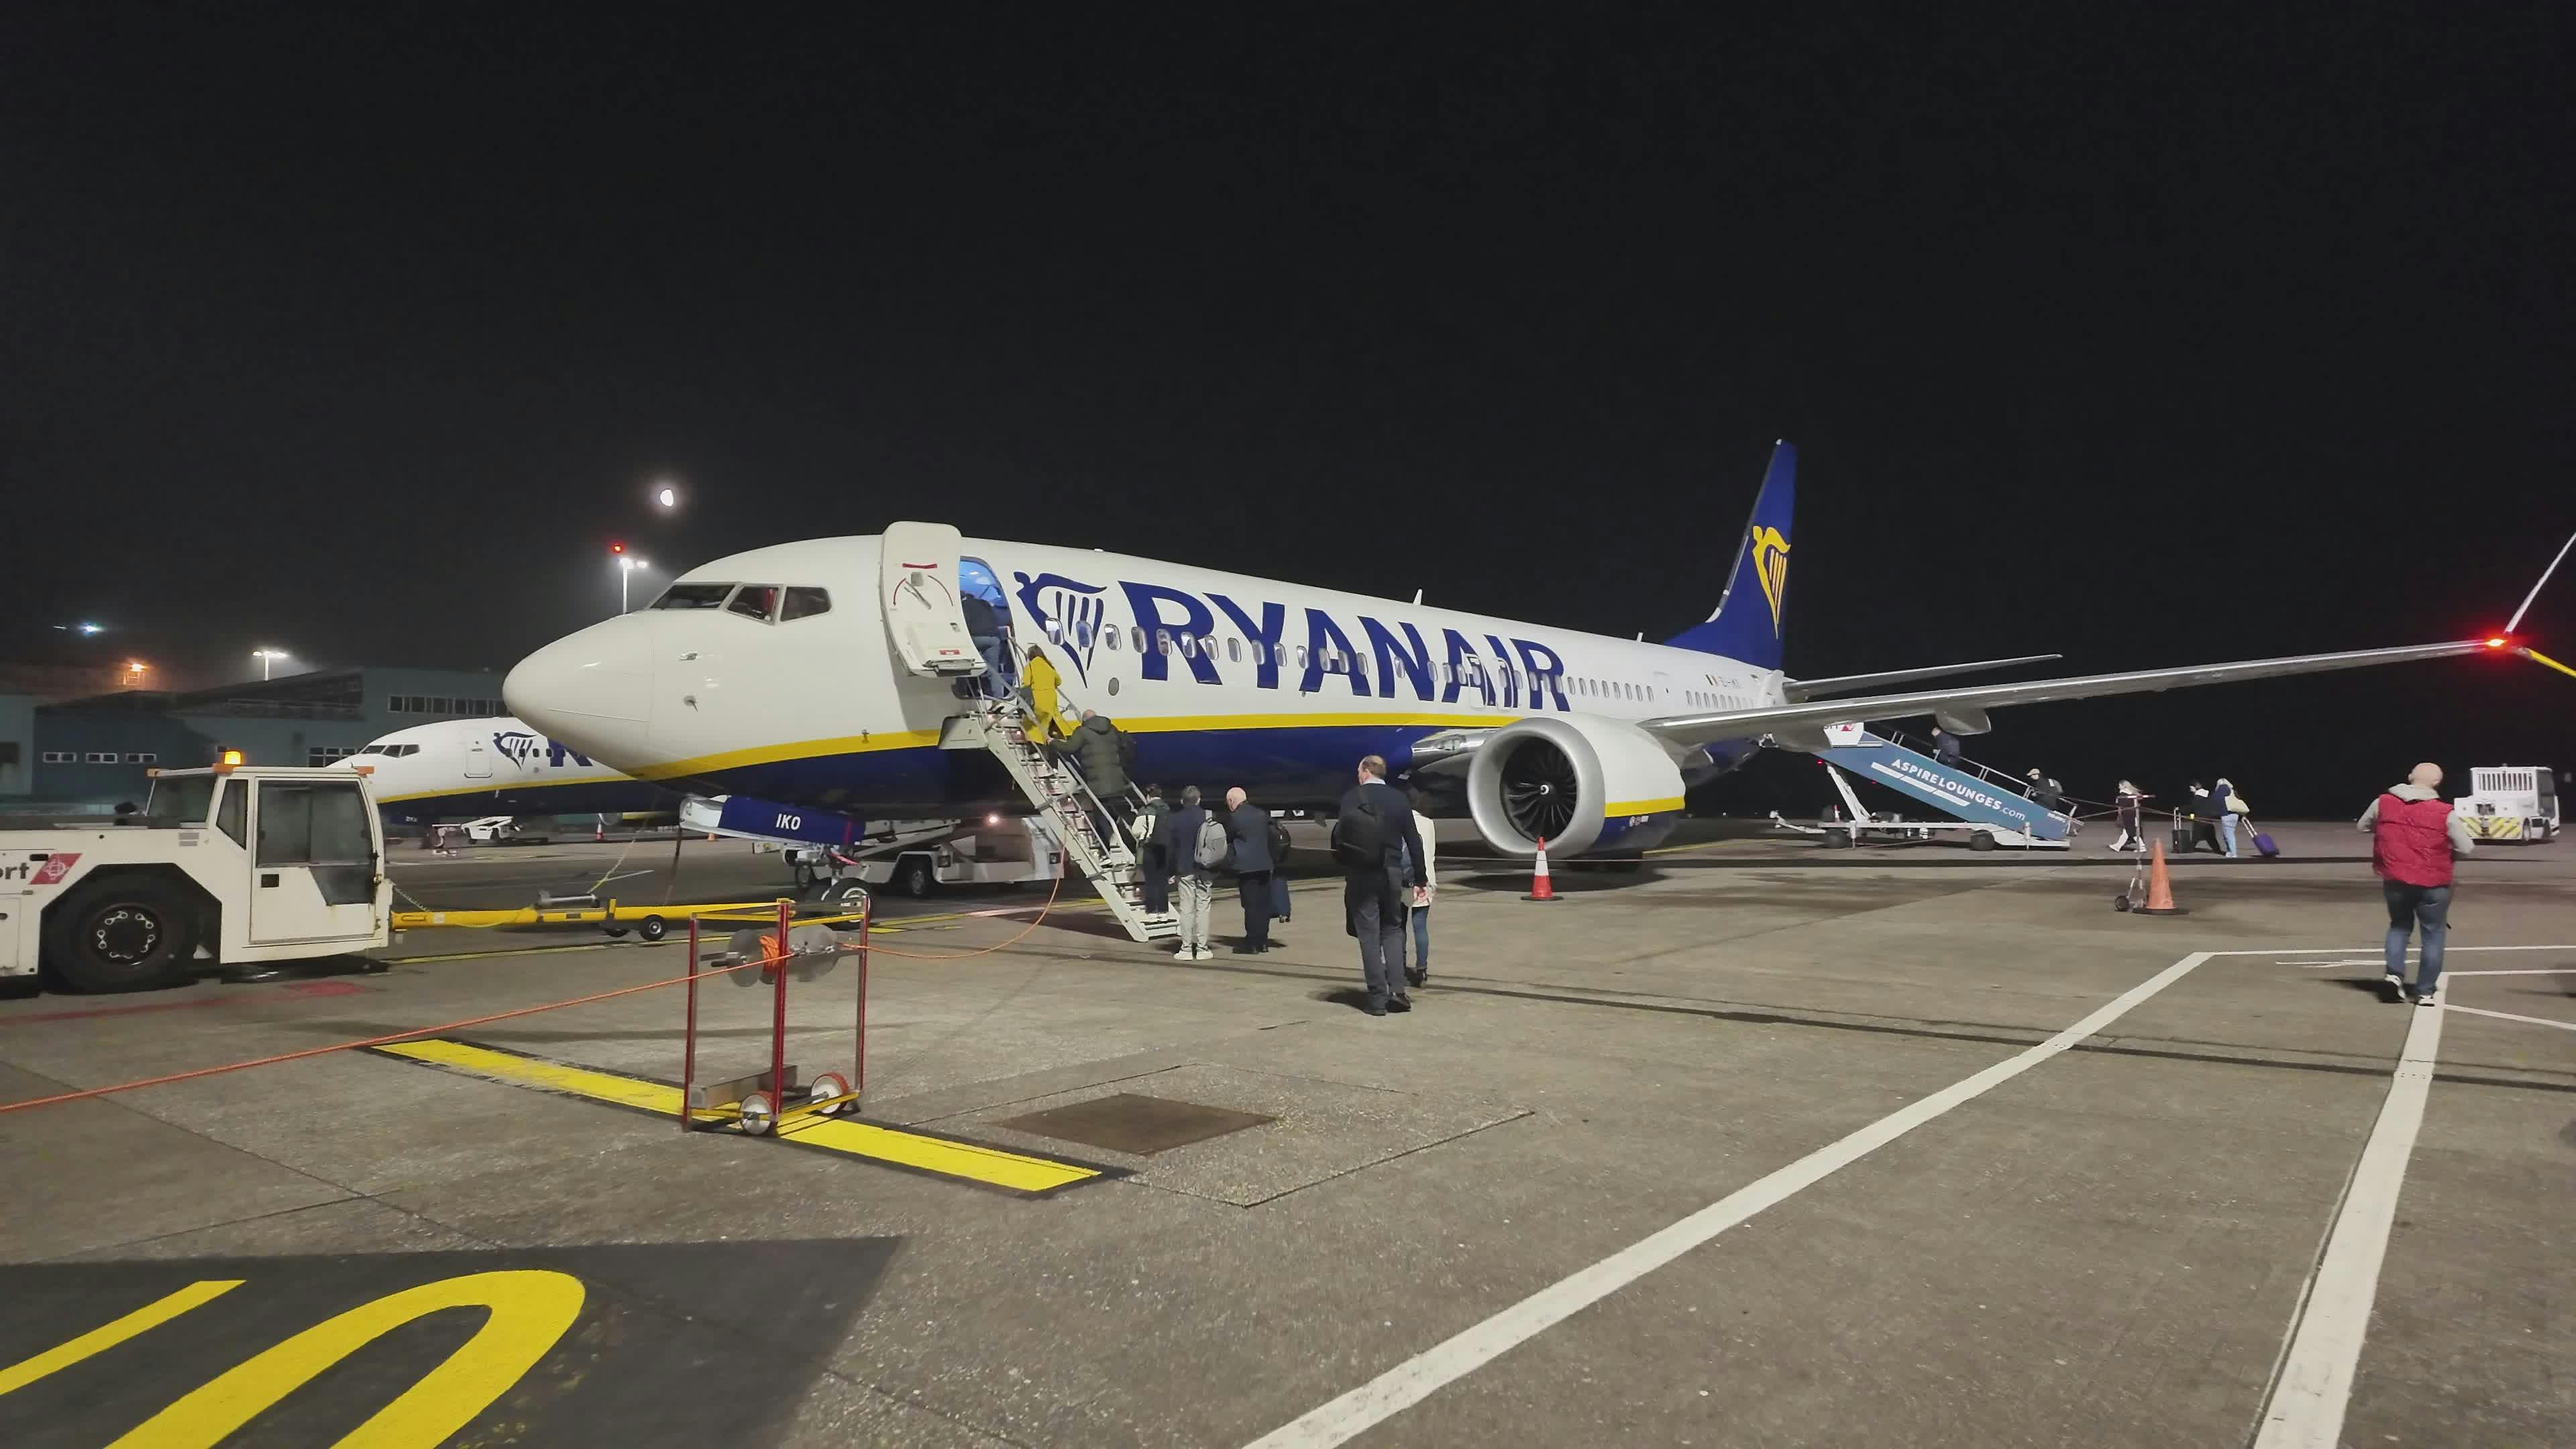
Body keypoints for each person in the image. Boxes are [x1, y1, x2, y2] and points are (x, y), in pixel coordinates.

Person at [2360, 763, 2475, 1004]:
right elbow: (2467, 847)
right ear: (2436, 783)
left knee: (2399, 927)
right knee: (2433, 934)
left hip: (2396, 879)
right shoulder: (2444, 811)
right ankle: (2424, 992)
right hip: (2434, 883)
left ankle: (2394, 976)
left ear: (2411, 777)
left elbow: (2363, 826)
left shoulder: (2383, 802)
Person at [1332, 755, 1427, 1016]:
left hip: (1362, 874)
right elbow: (1414, 841)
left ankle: (1377, 998)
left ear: (1364, 771)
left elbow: (1341, 838)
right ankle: (1398, 991)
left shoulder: (1352, 797)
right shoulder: (1399, 799)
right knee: (1393, 930)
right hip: (1392, 873)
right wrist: (1421, 878)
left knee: (1369, 936)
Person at [1157, 786, 1220, 961]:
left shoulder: (1174, 819)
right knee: (1203, 909)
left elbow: (1169, 850)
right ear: (1199, 800)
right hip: (1205, 869)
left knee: (1186, 909)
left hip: (1184, 870)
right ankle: (1202, 949)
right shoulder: (1209, 817)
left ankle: (1185, 949)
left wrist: (1170, 871)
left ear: (1182, 801)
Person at [1059, 709, 1132, 843]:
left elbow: (1069, 748)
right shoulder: (1111, 729)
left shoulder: (1083, 731)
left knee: (1100, 815)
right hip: (1117, 782)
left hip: (1098, 785)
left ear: (1084, 720)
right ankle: (1119, 836)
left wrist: (1052, 741)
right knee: (1112, 810)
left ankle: (1110, 842)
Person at [1224, 786, 1275, 954]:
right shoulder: (1262, 814)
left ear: (1232, 801)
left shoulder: (1234, 818)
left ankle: (1252, 943)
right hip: (1265, 865)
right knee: (1263, 905)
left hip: (1247, 868)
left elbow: (1227, 838)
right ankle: (1263, 942)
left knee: (1251, 906)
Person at [1401, 787, 1437, 986]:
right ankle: (1422, 969)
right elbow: (1431, 853)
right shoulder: (1429, 823)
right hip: (1426, 879)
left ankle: (1399, 965)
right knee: (1420, 926)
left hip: (1405, 879)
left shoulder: (1398, 822)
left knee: (1399, 926)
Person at [962, 592, 1010, 700]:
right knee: (994, 671)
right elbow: (996, 619)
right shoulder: (985, 603)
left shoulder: (965, 605)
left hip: (977, 638)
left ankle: (971, 692)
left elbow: (965, 622)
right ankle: (998, 698)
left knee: (970, 665)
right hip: (994, 639)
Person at [1133, 784, 1173, 915]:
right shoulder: (1167, 809)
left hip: (1149, 848)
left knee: (1150, 881)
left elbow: (1136, 831)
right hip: (1164, 848)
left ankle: (1151, 912)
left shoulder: (1146, 810)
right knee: (1162, 881)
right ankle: (1163, 912)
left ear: (1149, 796)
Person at [1021, 645, 1070, 748]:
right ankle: (1063, 739)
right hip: (1051, 699)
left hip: (1038, 699)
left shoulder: (1030, 666)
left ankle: (1035, 749)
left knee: (1031, 725)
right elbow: (1059, 681)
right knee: (1046, 723)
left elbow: (1026, 683)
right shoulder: (1049, 666)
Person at [2184, 781, 2223, 855]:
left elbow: (2192, 809)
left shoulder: (2197, 798)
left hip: (2200, 821)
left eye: (2191, 788)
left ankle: (2189, 850)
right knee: (2211, 839)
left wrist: (2180, 809)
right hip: (2208, 821)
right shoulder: (2208, 796)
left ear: (2195, 787)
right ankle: (2218, 851)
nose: (2190, 789)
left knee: (2195, 839)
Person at [2214, 776, 2247, 858]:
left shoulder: (2219, 793)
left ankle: (2233, 853)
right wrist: (2243, 815)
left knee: (2229, 835)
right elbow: (2239, 803)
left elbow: (2214, 802)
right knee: (2228, 834)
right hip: (2235, 815)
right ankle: (2229, 851)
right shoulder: (2233, 792)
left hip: (2226, 815)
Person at [2110, 781, 2145, 852]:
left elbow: (2120, 804)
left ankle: (2142, 847)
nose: (2118, 787)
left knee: (2131, 832)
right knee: (2126, 832)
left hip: (2129, 815)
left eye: (2119, 785)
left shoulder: (2123, 794)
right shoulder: (2131, 793)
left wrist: (2117, 800)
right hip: (2134, 814)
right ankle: (2117, 846)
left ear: (2123, 786)